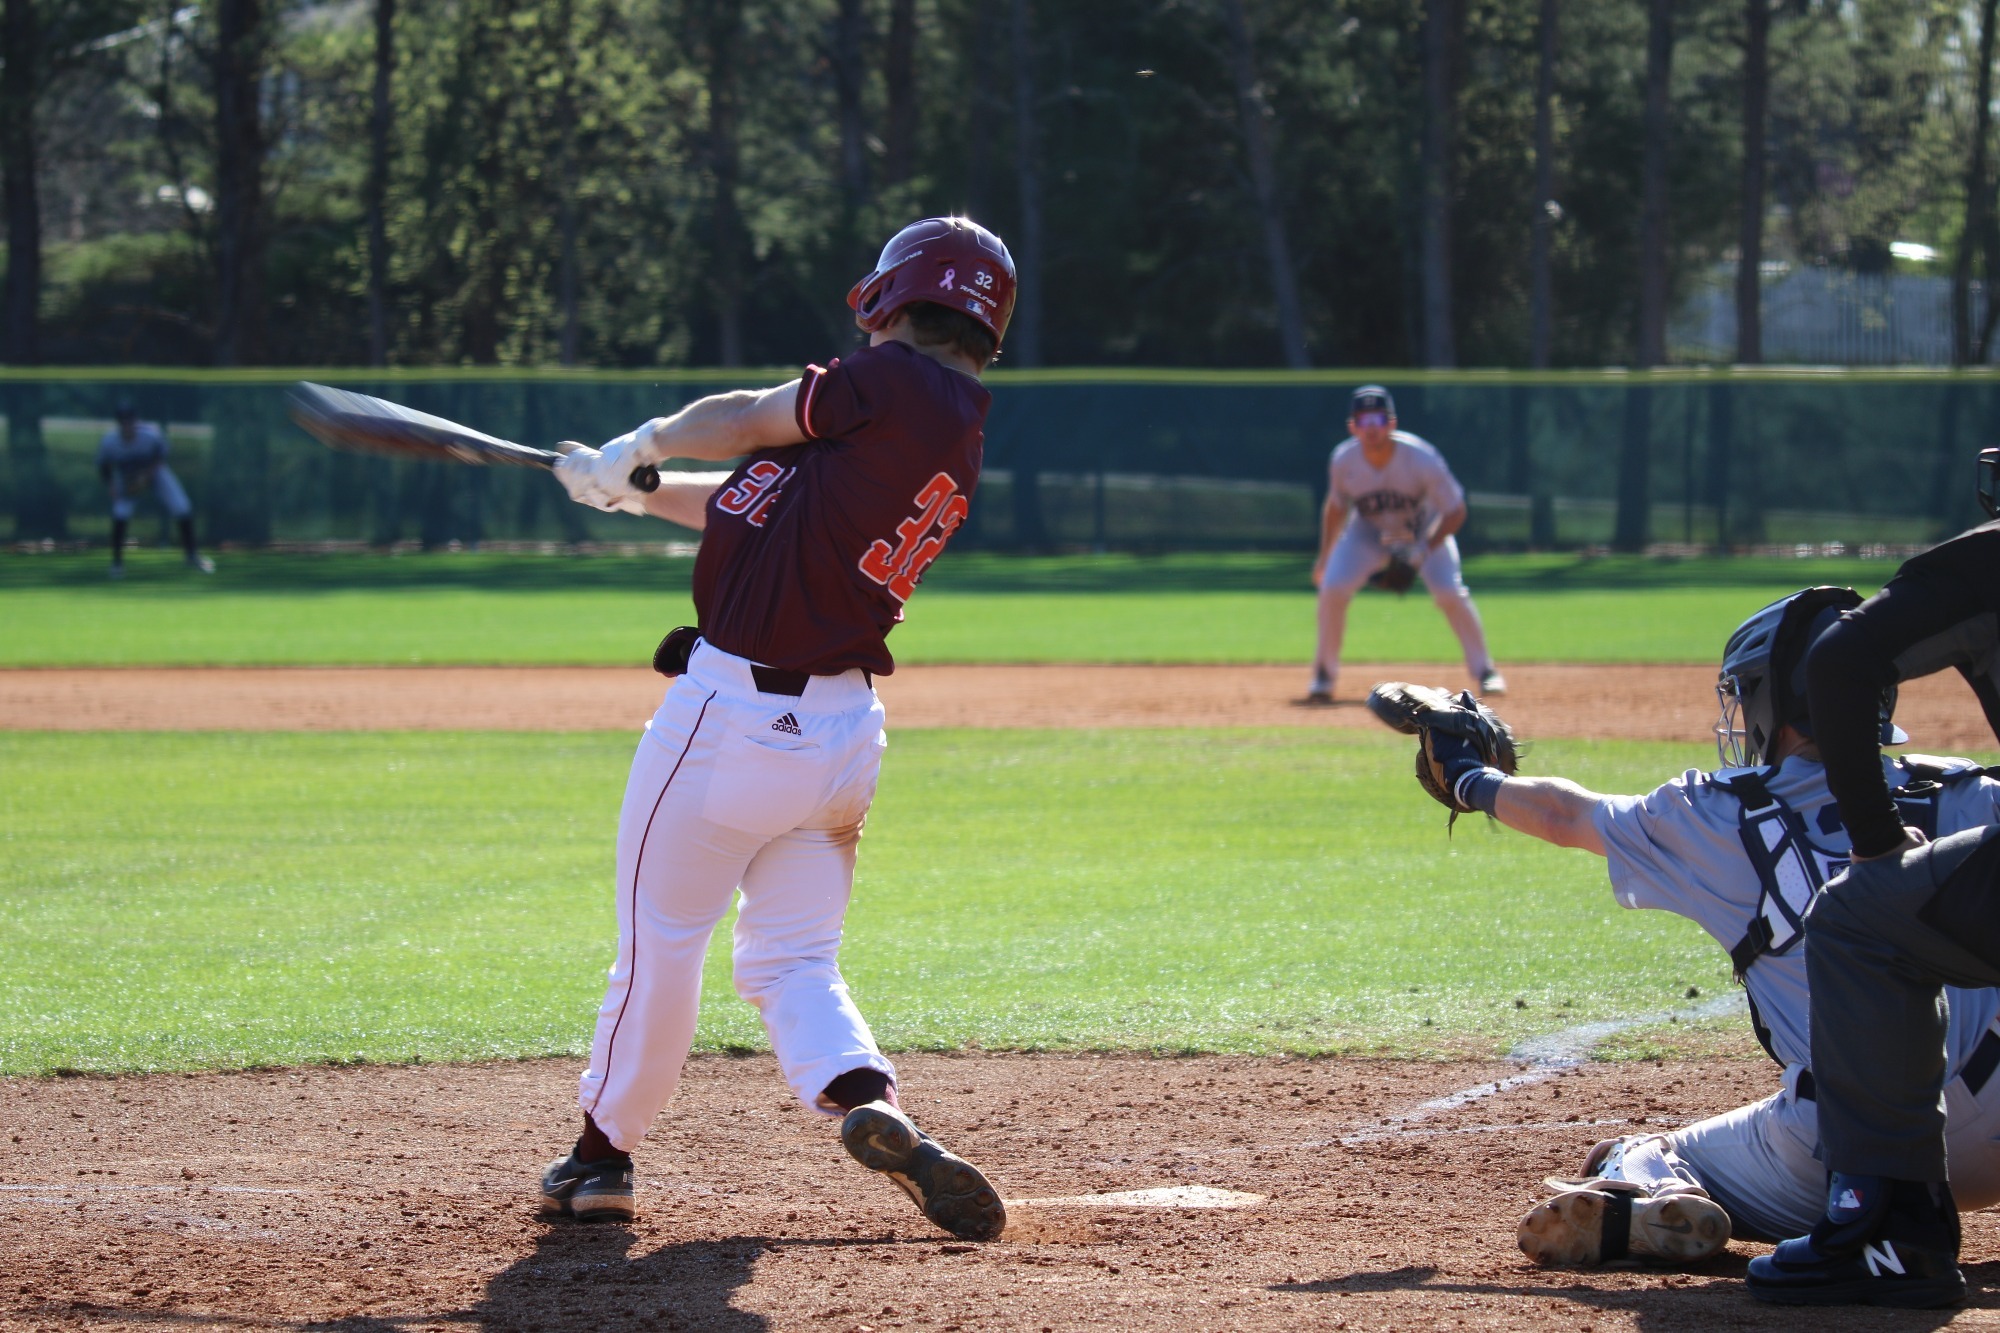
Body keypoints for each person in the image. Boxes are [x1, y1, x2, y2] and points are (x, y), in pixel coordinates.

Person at [534, 217, 1014, 1242]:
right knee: (795, 960)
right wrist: (631, 490)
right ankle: (862, 1099)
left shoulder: (889, 385)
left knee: (658, 949)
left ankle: (601, 1157)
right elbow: (748, 503)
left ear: (893, 300)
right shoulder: (940, 428)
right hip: (838, 737)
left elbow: (750, 417)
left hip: (726, 725)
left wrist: (646, 439)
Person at [1382, 589, 2000, 1269]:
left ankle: (1641, 1200)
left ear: (1771, 700)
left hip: (1858, 1142)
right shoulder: (1971, 789)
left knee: (1645, 1149)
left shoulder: (1719, 811)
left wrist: (1468, 777)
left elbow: (1566, 814)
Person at [1746, 453, 2000, 1308]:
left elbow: (1841, 663)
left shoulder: (1984, 560)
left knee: (1859, 922)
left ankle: (1893, 1226)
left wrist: (1879, 843)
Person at [1307, 385, 1500, 705]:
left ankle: (1486, 671)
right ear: (1352, 426)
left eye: (1378, 420)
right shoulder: (1344, 459)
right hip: (1367, 534)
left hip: (1423, 533)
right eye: (1363, 421)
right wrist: (1325, 557)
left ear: (1392, 424)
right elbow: (1337, 506)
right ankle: (1323, 676)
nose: (1371, 429)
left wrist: (1423, 550)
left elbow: (1456, 511)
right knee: (1333, 587)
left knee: (1449, 592)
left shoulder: (1421, 458)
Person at [96, 400, 214, 577]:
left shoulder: (149, 435)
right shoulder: (110, 441)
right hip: (127, 479)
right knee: (120, 512)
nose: (127, 424)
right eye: (123, 420)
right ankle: (116, 564)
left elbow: (161, 455)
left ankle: (192, 556)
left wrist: (146, 477)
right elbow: (104, 465)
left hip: (156, 473)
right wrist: (111, 486)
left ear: (136, 420)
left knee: (182, 506)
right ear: (119, 423)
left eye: (130, 419)